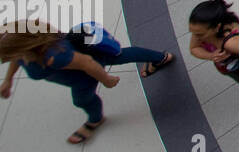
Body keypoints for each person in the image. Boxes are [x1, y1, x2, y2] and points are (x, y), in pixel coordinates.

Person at [0, 21, 173, 145]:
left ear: (21, 48)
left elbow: (88, 63)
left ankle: (95, 120)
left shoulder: (54, 57)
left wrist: (106, 80)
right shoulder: (23, 49)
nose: (5, 59)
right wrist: (8, 80)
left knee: (82, 100)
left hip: (83, 78)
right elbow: (16, 60)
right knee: (122, 55)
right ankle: (161, 58)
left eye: (6, 55)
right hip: (81, 66)